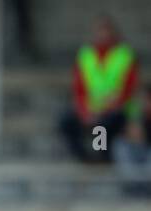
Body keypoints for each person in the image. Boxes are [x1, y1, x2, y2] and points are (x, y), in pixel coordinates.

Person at [58, 15, 139, 164]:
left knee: (102, 125)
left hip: (117, 110)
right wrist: (84, 112)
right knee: (65, 121)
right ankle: (83, 156)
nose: (103, 35)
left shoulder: (124, 54)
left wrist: (113, 104)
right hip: (91, 109)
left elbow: (130, 88)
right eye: (100, 31)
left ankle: (101, 156)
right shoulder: (86, 55)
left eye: (106, 31)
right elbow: (78, 88)